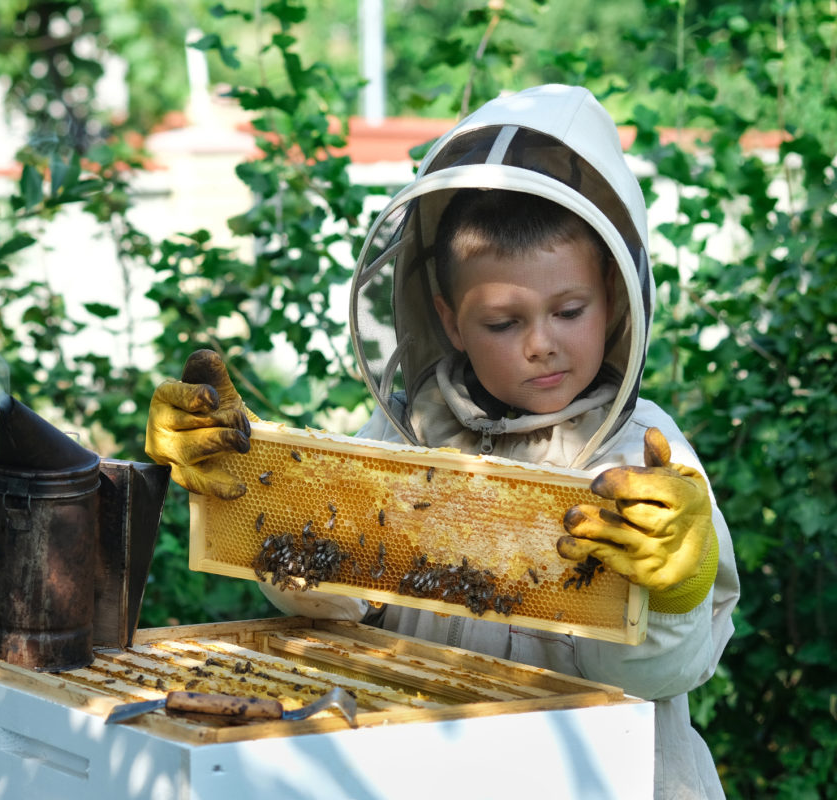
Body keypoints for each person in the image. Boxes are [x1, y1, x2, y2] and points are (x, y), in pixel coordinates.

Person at [145, 84, 738, 799]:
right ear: (450, 321)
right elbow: (330, 601)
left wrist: (675, 595)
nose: (541, 346)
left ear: (614, 296)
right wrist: (257, 490)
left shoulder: (645, 458)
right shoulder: (408, 433)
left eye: (569, 310)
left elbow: (661, 678)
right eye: (501, 323)